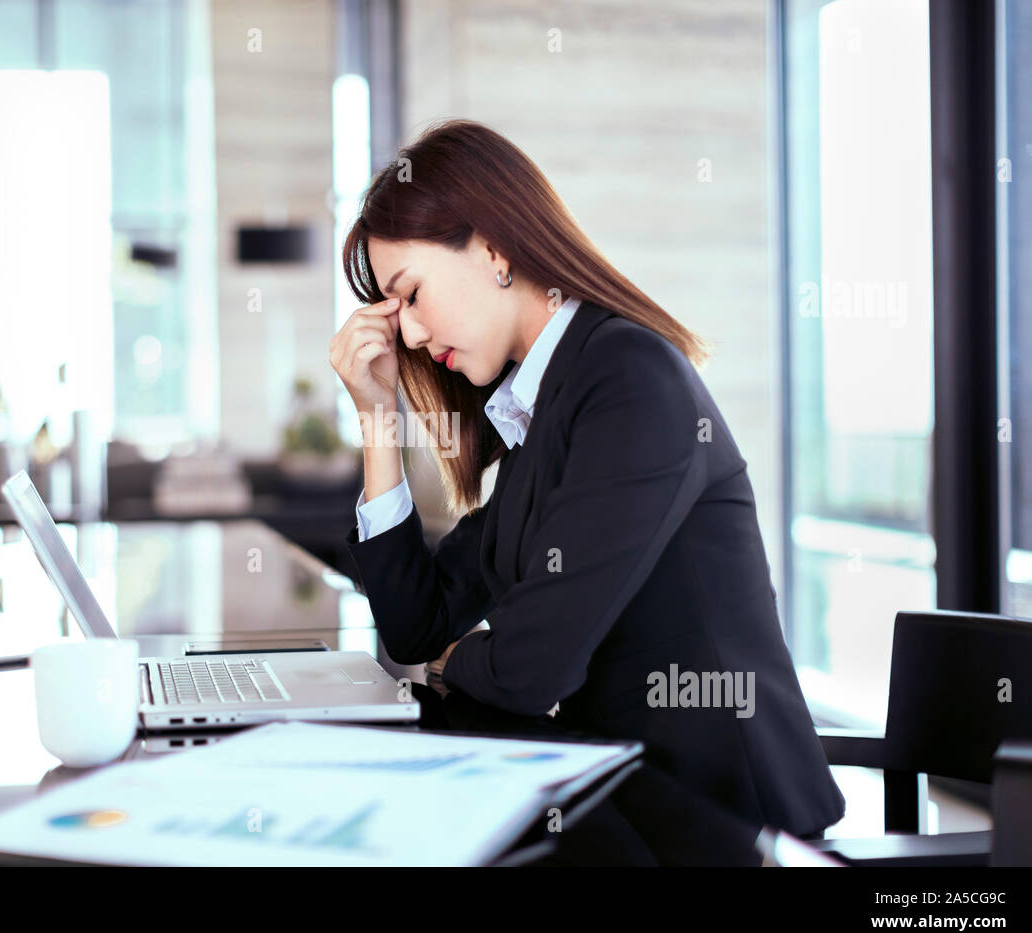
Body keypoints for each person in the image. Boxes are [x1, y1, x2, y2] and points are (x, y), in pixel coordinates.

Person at [328, 118, 844, 840]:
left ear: (494, 249)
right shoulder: (544, 405)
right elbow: (416, 625)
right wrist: (378, 414)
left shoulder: (629, 376)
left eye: (411, 294)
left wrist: (460, 656)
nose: (408, 335)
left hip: (728, 822)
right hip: (624, 794)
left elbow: (530, 672)